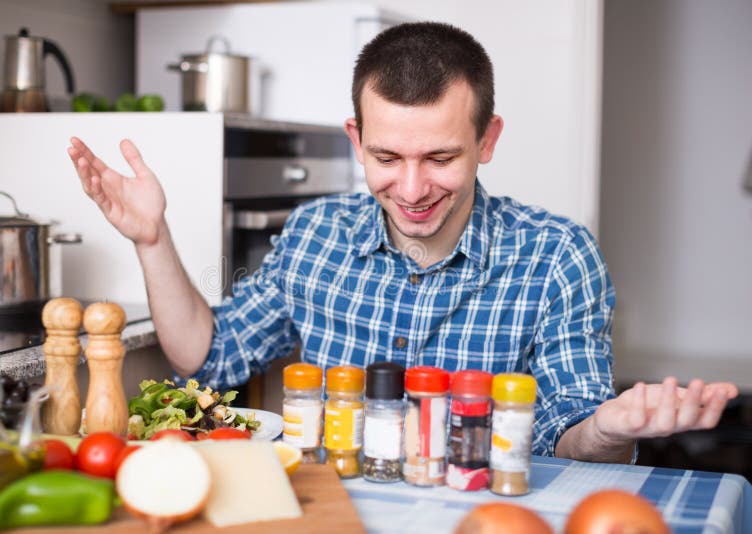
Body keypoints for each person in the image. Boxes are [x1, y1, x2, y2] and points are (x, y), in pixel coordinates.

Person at [68, 21, 737, 463]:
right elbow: (209, 358)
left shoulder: (558, 257)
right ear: (356, 139)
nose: (412, 188)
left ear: (488, 140)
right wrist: (153, 240)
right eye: (387, 156)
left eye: (441, 157)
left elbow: (574, 436)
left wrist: (614, 428)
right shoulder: (313, 235)